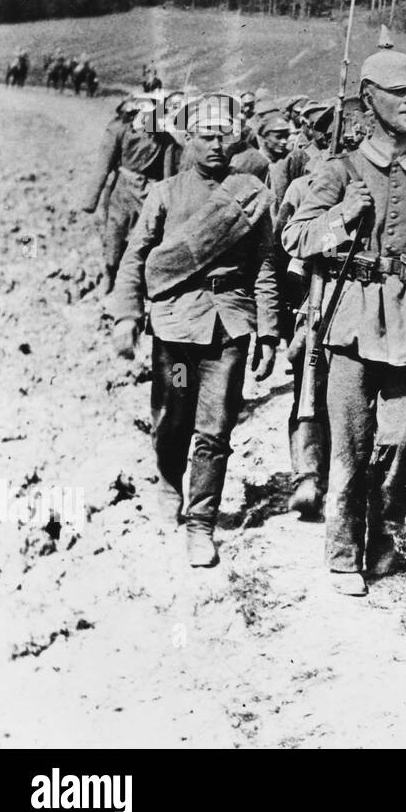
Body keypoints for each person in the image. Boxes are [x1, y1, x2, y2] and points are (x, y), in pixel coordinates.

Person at [282, 38, 406, 596]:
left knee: (403, 443)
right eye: (399, 93)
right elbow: (294, 236)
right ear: (370, 101)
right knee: (349, 445)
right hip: (348, 323)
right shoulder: (338, 171)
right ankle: (344, 550)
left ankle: (387, 532)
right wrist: (343, 218)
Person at [110, 94, 281, 567]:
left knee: (215, 428)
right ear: (189, 141)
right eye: (207, 137)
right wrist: (127, 314)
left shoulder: (249, 192)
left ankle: (201, 522)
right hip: (177, 329)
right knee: (174, 417)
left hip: (228, 327)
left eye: (225, 137)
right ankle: (168, 481)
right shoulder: (166, 194)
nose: (217, 146)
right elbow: (136, 257)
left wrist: (268, 332)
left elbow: (266, 265)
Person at [81, 94, 177, 291]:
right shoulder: (120, 131)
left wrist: (168, 206)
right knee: (114, 234)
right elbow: (103, 165)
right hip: (121, 192)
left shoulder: (166, 140)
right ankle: (110, 274)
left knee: (144, 239)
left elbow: (168, 178)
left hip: (149, 195)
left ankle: (136, 284)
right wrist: (90, 201)